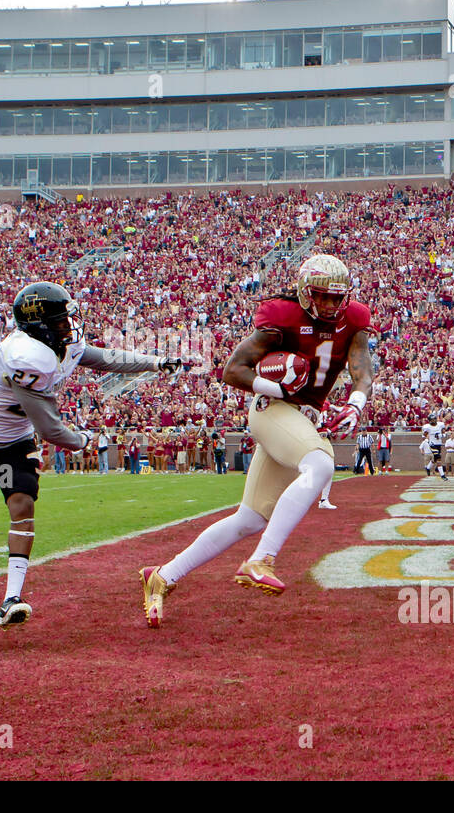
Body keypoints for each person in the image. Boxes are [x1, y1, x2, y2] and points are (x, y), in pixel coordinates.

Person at [0, 282, 187, 628]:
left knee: (22, 506)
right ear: (39, 325)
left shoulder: (61, 345)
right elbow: (50, 429)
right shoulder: (26, 355)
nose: (69, 325)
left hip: (13, 437)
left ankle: (10, 599)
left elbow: (103, 358)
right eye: (60, 320)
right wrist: (82, 440)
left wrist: (154, 362)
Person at [141, 254, 372, 628]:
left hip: (297, 417)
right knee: (321, 463)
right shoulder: (282, 315)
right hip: (272, 409)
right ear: (304, 292)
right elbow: (233, 370)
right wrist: (274, 386)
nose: (330, 305)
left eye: (336, 297)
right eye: (322, 296)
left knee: (248, 519)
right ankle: (261, 559)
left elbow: (362, 372)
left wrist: (355, 405)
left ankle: (162, 576)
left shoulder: (355, 319)